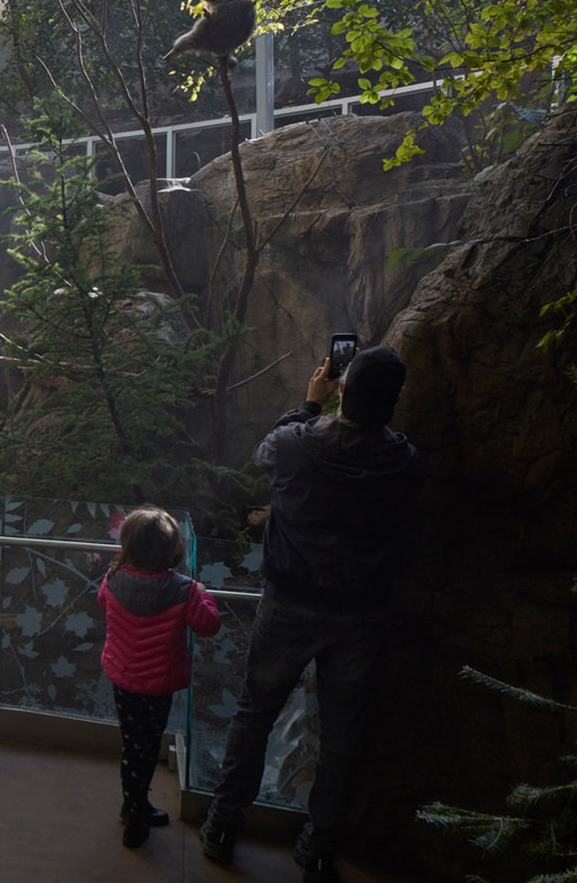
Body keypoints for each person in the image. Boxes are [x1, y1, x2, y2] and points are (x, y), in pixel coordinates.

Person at [200, 345, 416, 883]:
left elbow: (264, 452)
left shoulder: (297, 446)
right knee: (342, 735)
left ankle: (224, 824)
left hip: (290, 605)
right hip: (361, 617)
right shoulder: (403, 461)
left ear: (341, 387)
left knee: (255, 713)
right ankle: (319, 848)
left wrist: (307, 403)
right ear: (393, 402)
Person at [98, 505, 222, 849]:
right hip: (156, 685)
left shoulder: (113, 577)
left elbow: (101, 602)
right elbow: (209, 624)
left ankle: (132, 805)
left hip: (123, 678)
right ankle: (136, 817)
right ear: (172, 550)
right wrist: (203, 593)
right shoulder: (183, 590)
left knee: (131, 743)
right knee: (146, 746)